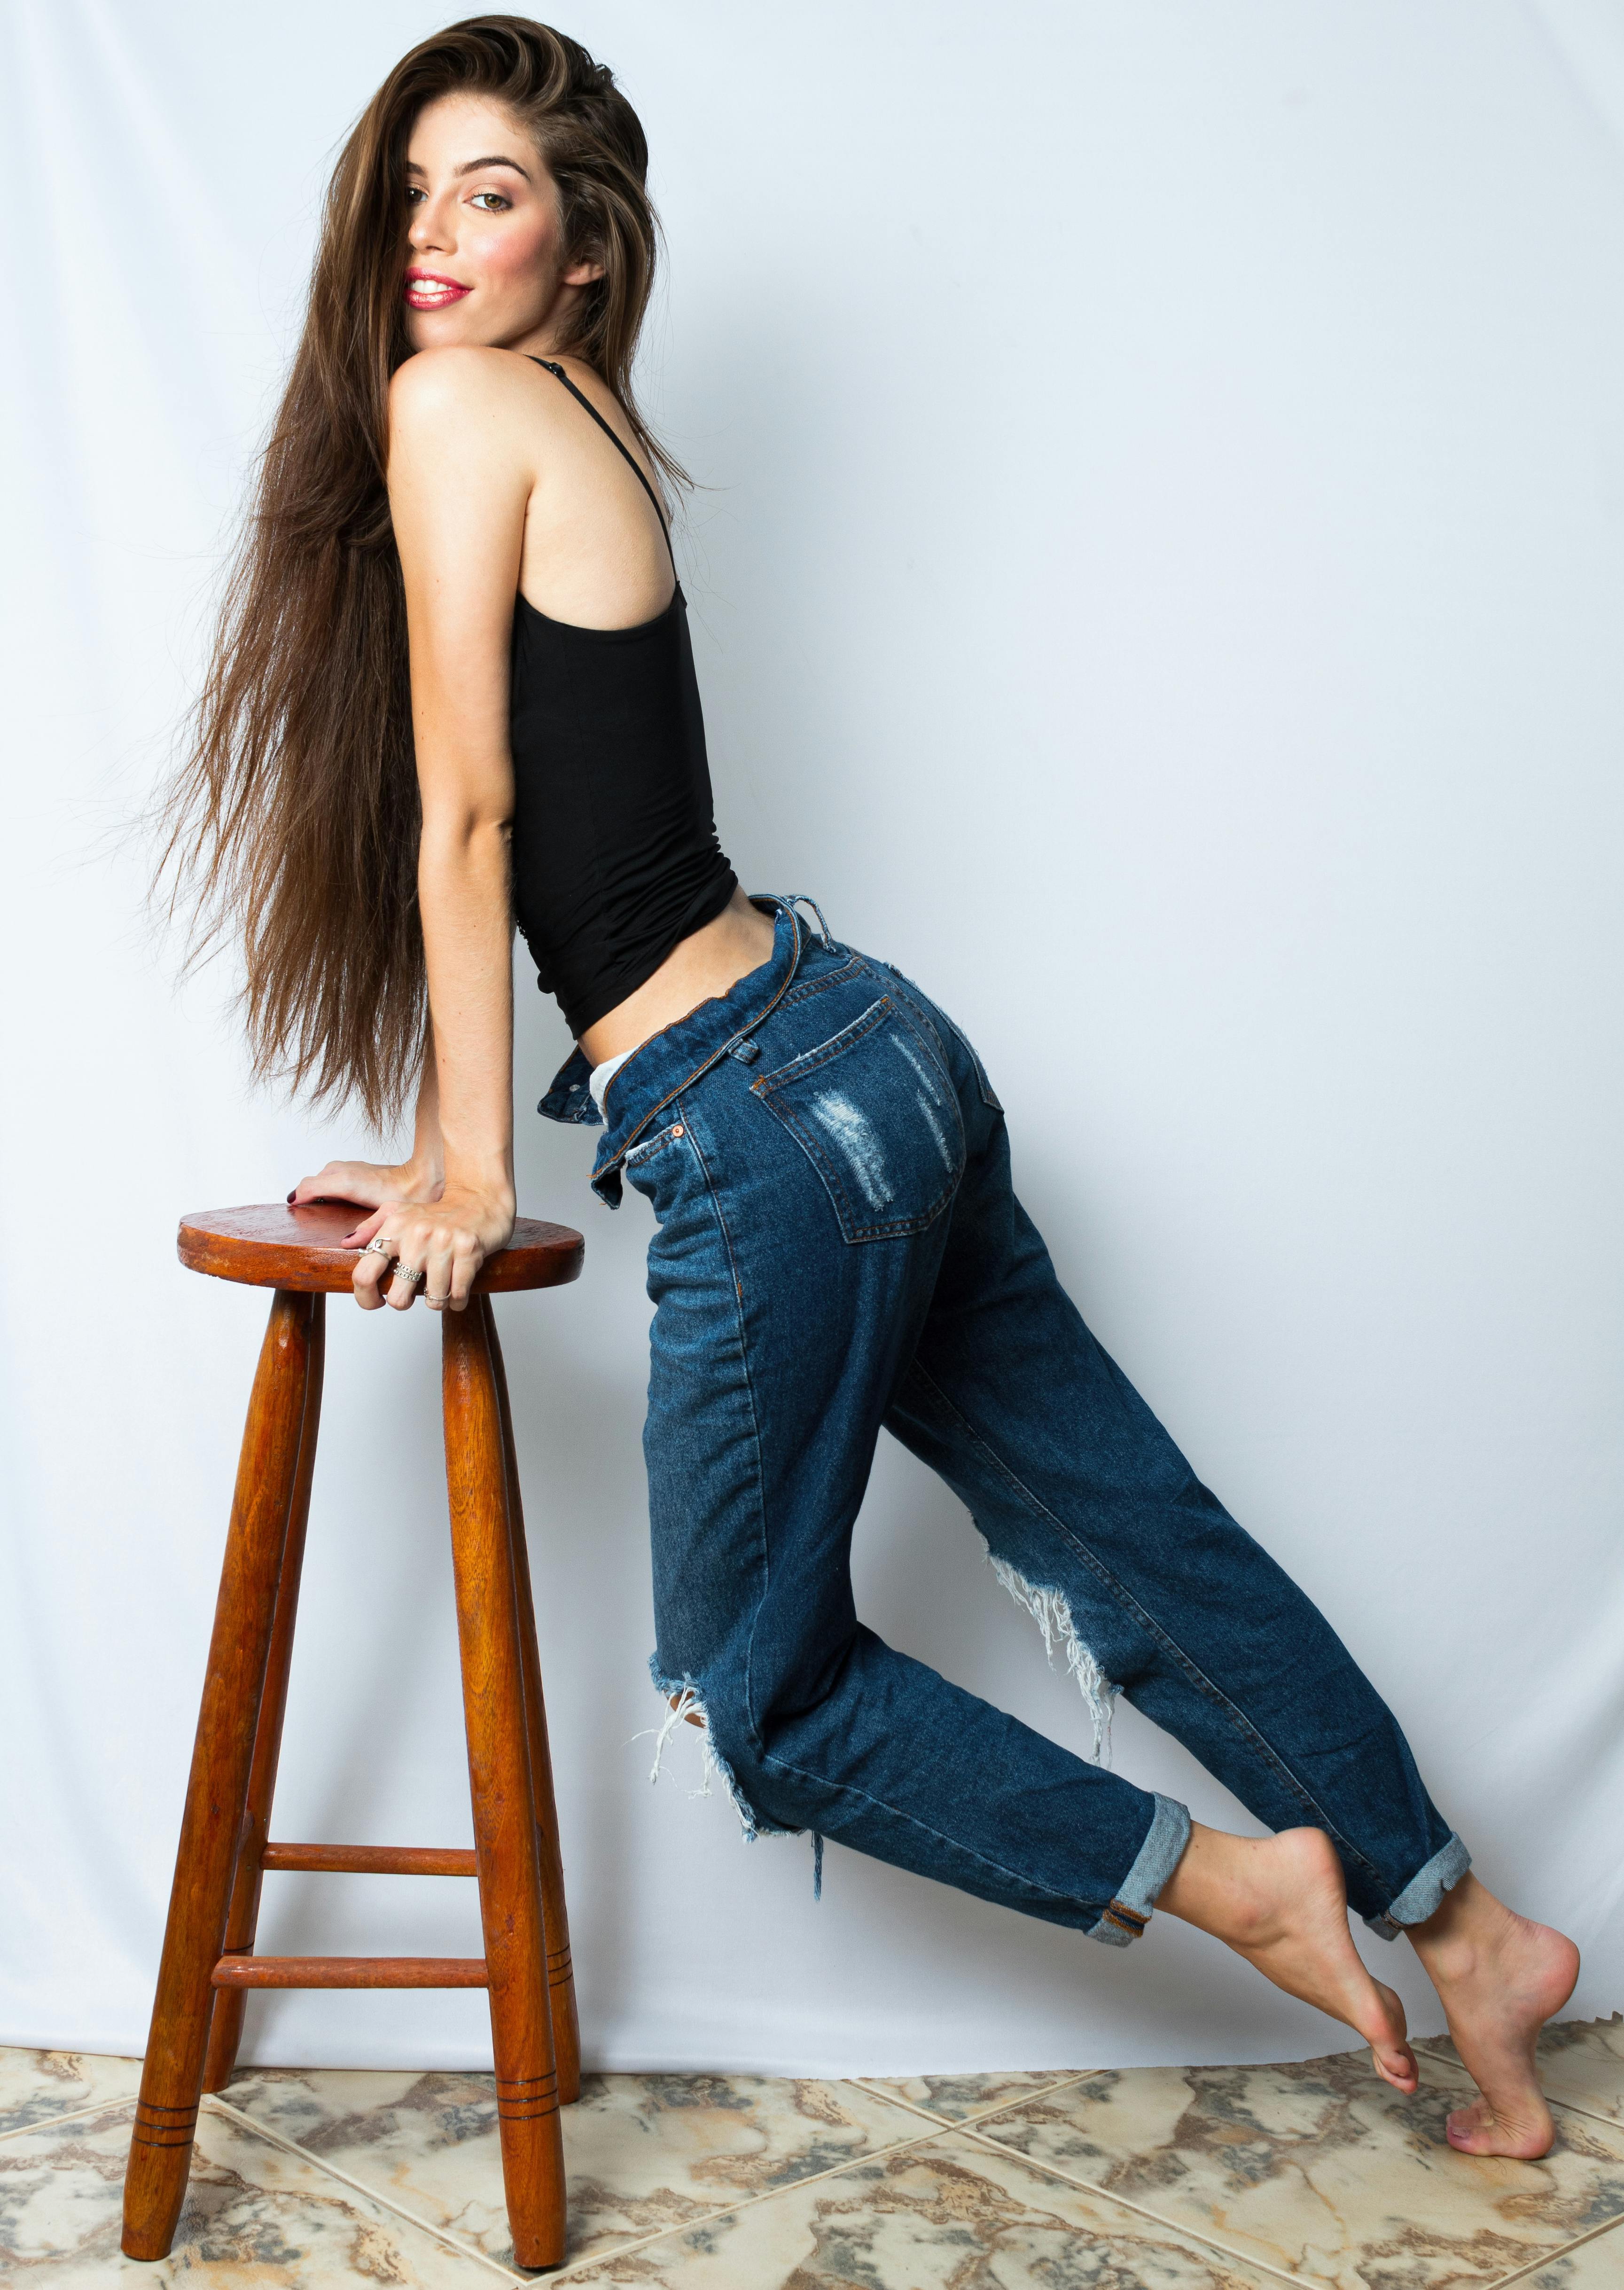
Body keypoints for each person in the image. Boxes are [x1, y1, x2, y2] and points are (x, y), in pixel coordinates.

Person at [164, 13, 1579, 2160]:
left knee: (764, 1694)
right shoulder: (578, 422)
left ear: (586, 251)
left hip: (752, 1112)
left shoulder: (460, 405)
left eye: (497, 193)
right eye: (420, 187)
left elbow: (474, 816)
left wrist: (471, 1162)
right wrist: (448, 1138)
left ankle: (1251, 1886)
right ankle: (1468, 1930)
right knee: (1137, 1538)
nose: (439, 236)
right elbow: (577, 832)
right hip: (870, 1048)